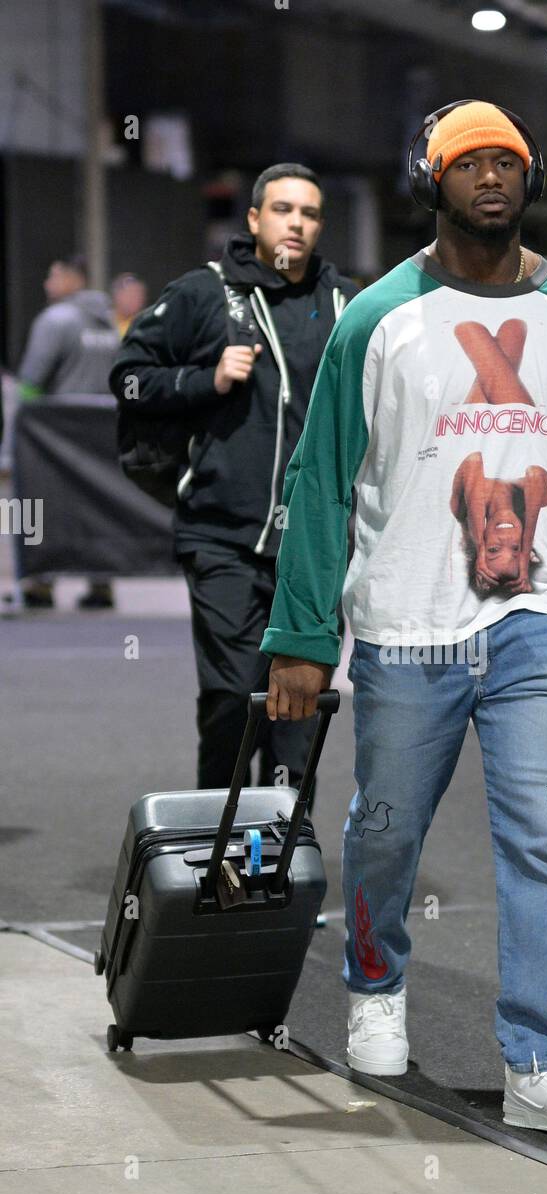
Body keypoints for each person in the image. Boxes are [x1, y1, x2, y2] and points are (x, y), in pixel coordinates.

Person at [262, 102, 547, 1134]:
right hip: (405, 626)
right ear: (429, 180)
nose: (490, 176)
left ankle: (539, 1061)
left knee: (540, 840)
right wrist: (303, 639)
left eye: (507, 161)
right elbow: (320, 485)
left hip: (539, 622)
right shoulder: (376, 319)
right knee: (385, 833)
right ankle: (376, 983)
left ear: (529, 178)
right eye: (467, 162)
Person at [111, 163, 357, 790]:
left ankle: (280, 852)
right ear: (254, 219)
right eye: (282, 210)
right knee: (231, 694)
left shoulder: (346, 305)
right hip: (221, 533)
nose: (295, 223)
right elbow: (129, 376)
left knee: (297, 711)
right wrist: (206, 379)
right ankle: (210, 836)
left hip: (314, 545)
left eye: (308, 213)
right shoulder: (205, 292)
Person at [17, 254, 120, 610]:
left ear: (71, 278)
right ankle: (102, 584)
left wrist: (19, 425)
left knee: (37, 504)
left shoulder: (55, 319)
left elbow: (30, 383)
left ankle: (39, 582)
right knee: (98, 505)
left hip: (53, 436)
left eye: (52, 275)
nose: (47, 284)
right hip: (100, 434)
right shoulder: (108, 323)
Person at [111, 273, 148, 338]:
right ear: (116, 296)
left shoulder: (146, 325)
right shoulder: (104, 321)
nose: (133, 299)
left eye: (137, 295)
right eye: (129, 294)